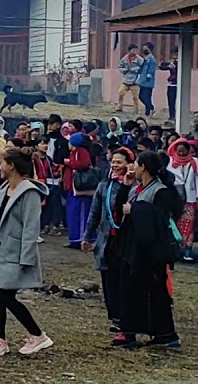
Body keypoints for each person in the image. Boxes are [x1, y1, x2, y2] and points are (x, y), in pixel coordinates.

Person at [0, 148, 54, 357]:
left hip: (13, 252)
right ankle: (0, 339)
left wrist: (26, 257)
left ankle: (38, 335)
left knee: (5, 296)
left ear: (11, 166)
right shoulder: (3, 189)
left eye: (1, 163)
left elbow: (31, 228)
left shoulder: (29, 193)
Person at [116, 150, 183, 349]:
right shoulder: (137, 188)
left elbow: (160, 217)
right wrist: (125, 187)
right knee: (132, 290)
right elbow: (121, 208)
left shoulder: (160, 191)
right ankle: (130, 331)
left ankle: (164, 334)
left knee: (155, 292)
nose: (133, 169)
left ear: (144, 167)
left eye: (136, 164)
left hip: (151, 250)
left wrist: (135, 209)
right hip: (135, 247)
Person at [83, 147, 136, 342]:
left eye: (119, 162)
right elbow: (95, 212)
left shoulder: (134, 186)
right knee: (108, 279)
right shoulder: (104, 186)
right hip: (107, 239)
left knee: (123, 279)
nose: (115, 165)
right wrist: (87, 236)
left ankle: (125, 318)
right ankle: (115, 317)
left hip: (126, 239)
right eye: (113, 161)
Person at [167, 138, 198, 261]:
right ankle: (176, 251)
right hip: (175, 198)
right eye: (178, 151)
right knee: (176, 224)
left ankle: (187, 251)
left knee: (189, 225)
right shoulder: (170, 162)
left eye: (183, 151)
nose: (180, 153)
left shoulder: (195, 162)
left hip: (190, 198)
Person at [64, 132, 96, 248]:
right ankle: (74, 238)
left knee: (80, 214)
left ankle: (81, 238)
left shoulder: (81, 152)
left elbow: (83, 164)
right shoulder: (75, 152)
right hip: (73, 189)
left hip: (79, 189)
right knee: (72, 214)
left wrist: (69, 163)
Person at [117, 44, 145, 114]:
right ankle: (119, 107)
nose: (135, 52)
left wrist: (135, 69)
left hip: (135, 81)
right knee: (120, 93)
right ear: (129, 51)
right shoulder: (124, 59)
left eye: (136, 50)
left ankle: (136, 109)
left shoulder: (139, 59)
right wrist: (124, 70)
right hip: (126, 80)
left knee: (135, 97)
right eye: (133, 50)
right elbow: (120, 67)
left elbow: (143, 68)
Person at [160, 46, 181, 120]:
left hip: (179, 85)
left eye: (176, 54)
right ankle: (172, 116)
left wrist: (174, 66)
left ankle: (178, 116)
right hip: (171, 84)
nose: (175, 56)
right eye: (173, 54)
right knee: (171, 102)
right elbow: (162, 67)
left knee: (179, 102)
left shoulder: (181, 63)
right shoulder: (172, 63)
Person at [138, 43, 158, 117]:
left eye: (146, 49)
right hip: (142, 82)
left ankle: (149, 110)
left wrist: (147, 78)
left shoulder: (151, 59)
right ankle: (150, 109)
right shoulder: (145, 58)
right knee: (141, 96)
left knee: (146, 97)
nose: (144, 50)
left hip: (148, 82)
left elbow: (151, 70)